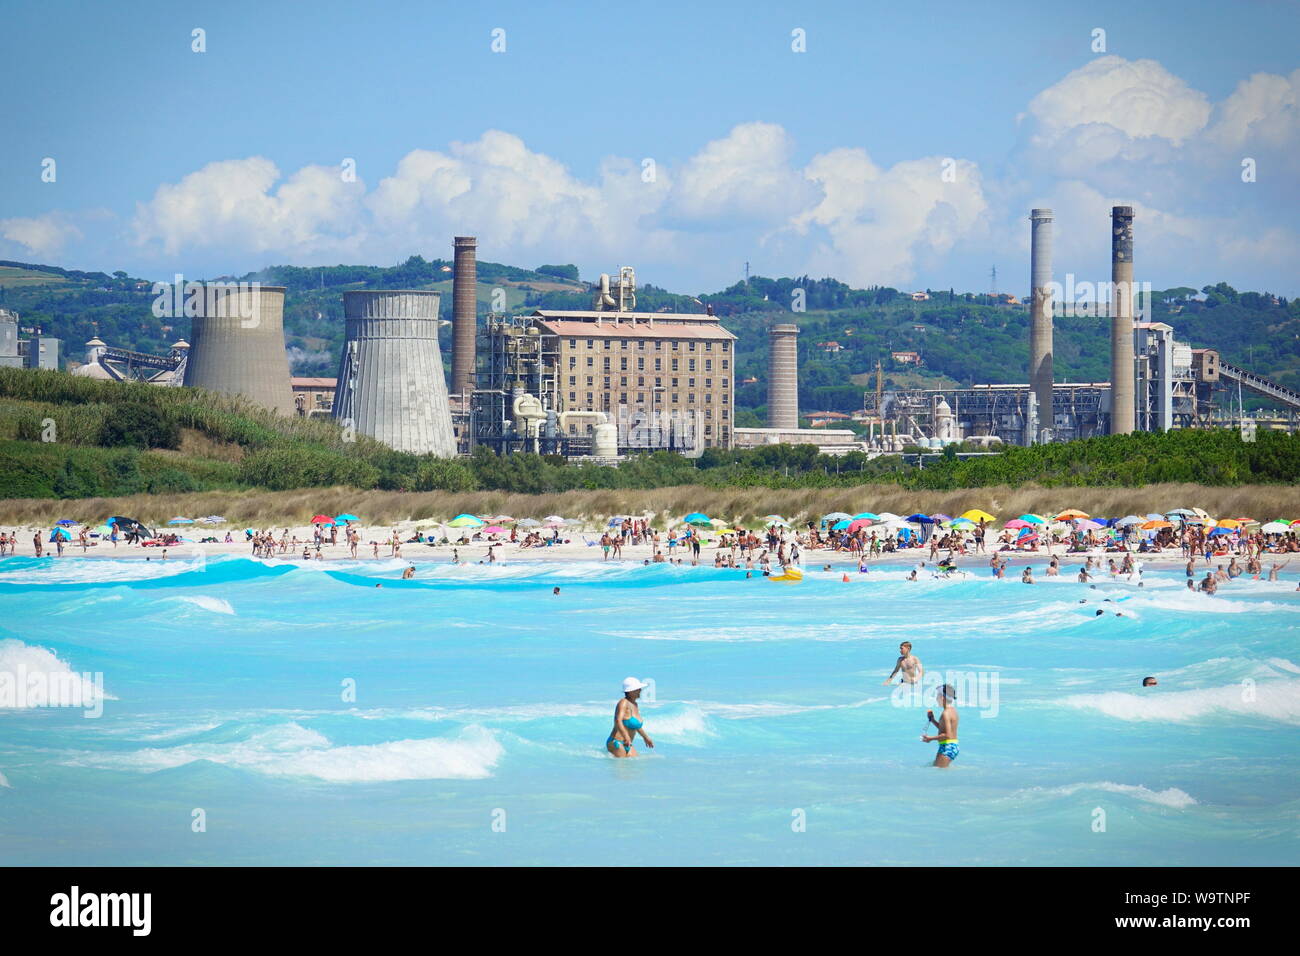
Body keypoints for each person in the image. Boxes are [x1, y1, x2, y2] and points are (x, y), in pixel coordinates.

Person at [606, 677, 654, 757]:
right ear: (631, 691)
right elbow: (618, 720)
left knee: (634, 767)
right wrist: (626, 736)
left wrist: (645, 737)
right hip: (616, 742)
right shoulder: (623, 703)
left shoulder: (635, 705)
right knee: (622, 767)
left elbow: (635, 725)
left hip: (627, 743)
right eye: (638, 689)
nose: (640, 690)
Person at [921, 684, 960, 767]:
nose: (936, 699)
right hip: (953, 745)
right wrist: (933, 720)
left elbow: (947, 735)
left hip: (947, 747)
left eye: (937, 696)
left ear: (942, 697)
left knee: (937, 772)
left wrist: (930, 738)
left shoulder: (945, 713)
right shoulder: (953, 711)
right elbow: (944, 729)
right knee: (938, 770)